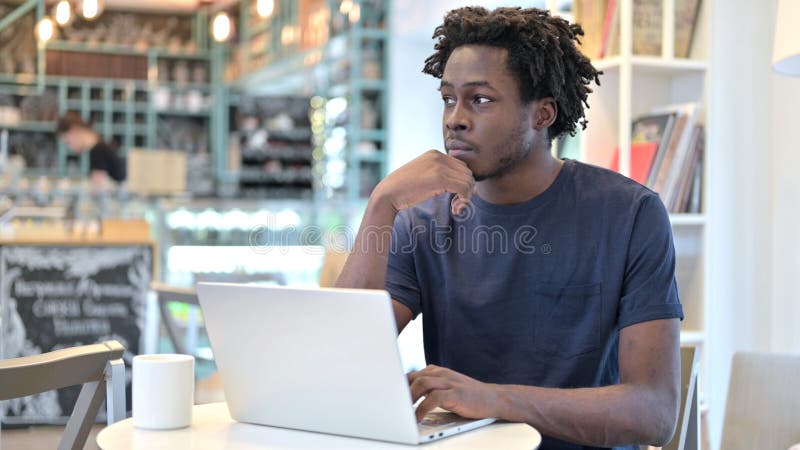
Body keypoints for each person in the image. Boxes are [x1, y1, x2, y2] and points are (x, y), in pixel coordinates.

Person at [335, 6, 683, 450]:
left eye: (479, 99)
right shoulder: (422, 220)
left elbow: (653, 413)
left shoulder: (630, 214)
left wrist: (496, 399)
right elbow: (343, 362)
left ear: (542, 115)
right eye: (448, 98)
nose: (454, 118)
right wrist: (381, 205)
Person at [57, 112, 126, 188]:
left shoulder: (98, 151)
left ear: (74, 131)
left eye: (68, 142)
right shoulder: (101, 146)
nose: (70, 147)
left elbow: (98, 187)